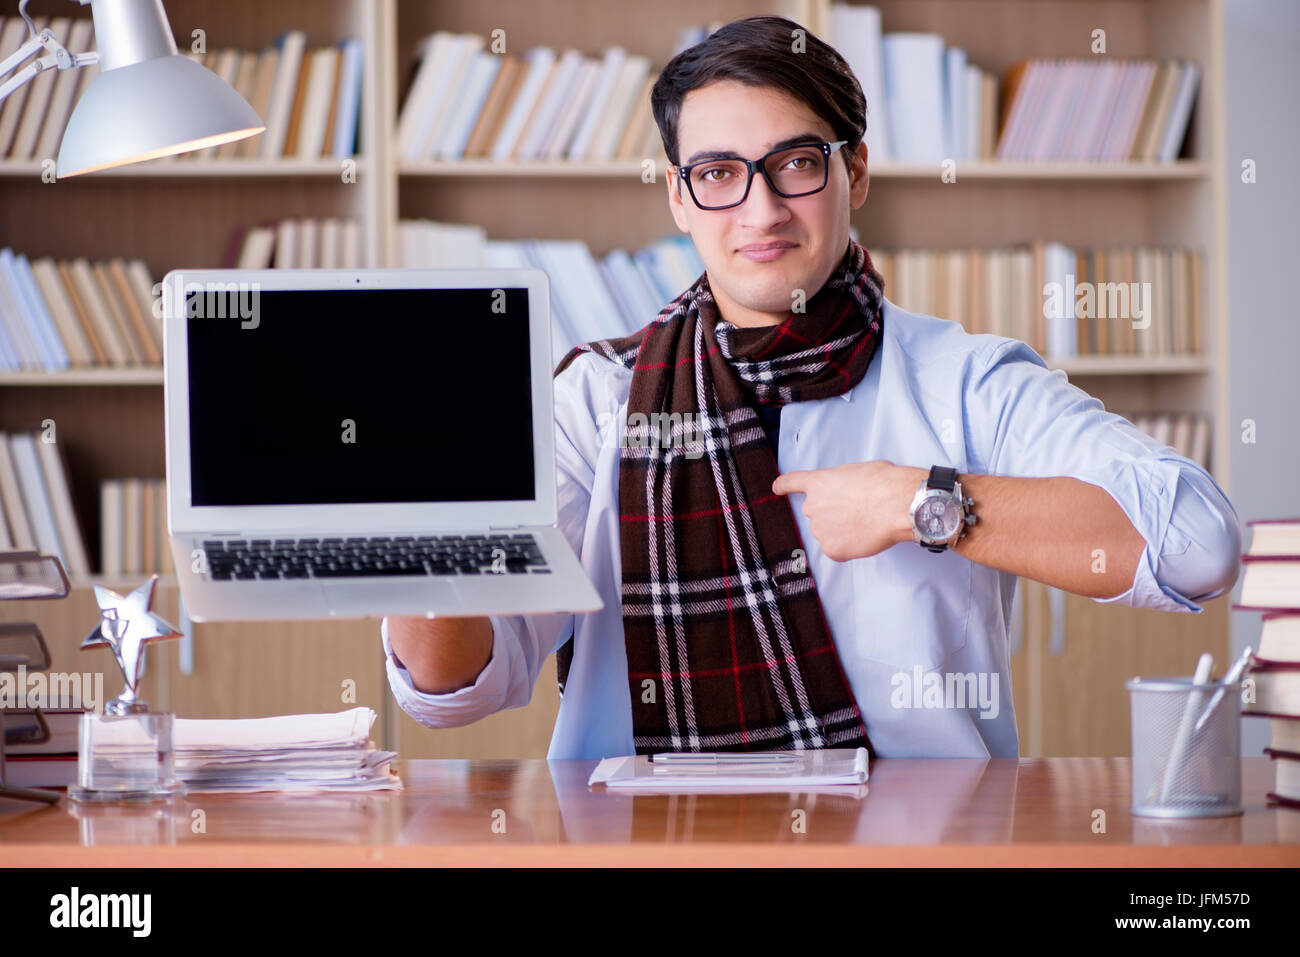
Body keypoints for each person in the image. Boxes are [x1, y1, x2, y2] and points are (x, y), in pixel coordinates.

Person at [382, 15, 1240, 758]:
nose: (760, 212)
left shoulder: (967, 380)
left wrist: (924, 503)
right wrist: (440, 524)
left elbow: (1197, 544)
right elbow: (449, 687)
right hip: (637, 843)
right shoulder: (595, 401)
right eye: (717, 174)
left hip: (916, 848)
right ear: (679, 198)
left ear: (854, 173)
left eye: (794, 162)